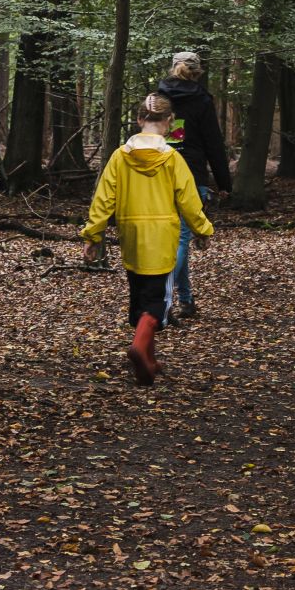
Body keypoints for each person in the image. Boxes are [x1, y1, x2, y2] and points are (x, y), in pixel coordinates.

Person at [82, 91, 215, 385]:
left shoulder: (120, 157)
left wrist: (93, 234)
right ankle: (139, 347)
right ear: (169, 122)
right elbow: (189, 200)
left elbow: (103, 198)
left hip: (131, 236)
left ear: (139, 119)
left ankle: (149, 361)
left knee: (140, 296)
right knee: (158, 303)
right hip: (162, 239)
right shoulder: (172, 158)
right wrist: (202, 229)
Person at [153, 51, 231, 323]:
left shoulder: (158, 98)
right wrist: (224, 182)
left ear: (173, 68)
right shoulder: (202, 100)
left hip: (159, 173)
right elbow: (213, 142)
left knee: (176, 240)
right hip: (192, 175)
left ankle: (185, 300)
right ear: (197, 73)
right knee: (181, 240)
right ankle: (162, 301)